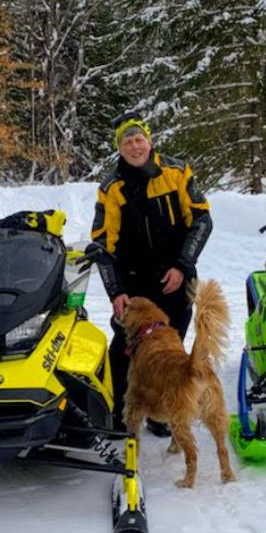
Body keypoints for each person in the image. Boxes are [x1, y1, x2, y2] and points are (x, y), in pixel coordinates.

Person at [89, 112, 214, 432]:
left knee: (171, 346)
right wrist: (116, 291)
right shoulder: (111, 188)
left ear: (150, 140)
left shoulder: (176, 172)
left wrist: (183, 266)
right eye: (127, 142)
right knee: (124, 346)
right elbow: (103, 245)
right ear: (120, 148)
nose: (134, 146)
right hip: (136, 282)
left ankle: (166, 411)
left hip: (177, 276)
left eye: (139, 139)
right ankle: (119, 412)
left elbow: (202, 221)